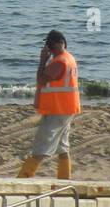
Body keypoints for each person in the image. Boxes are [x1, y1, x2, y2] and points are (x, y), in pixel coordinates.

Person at [17, 30, 80, 179]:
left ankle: (22, 180)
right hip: (65, 108)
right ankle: (64, 181)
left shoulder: (59, 62)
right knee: (62, 147)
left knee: (41, 146)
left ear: (61, 43)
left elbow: (41, 79)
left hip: (57, 110)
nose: (49, 48)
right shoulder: (69, 59)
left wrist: (42, 61)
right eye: (47, 44)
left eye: (50, 45)